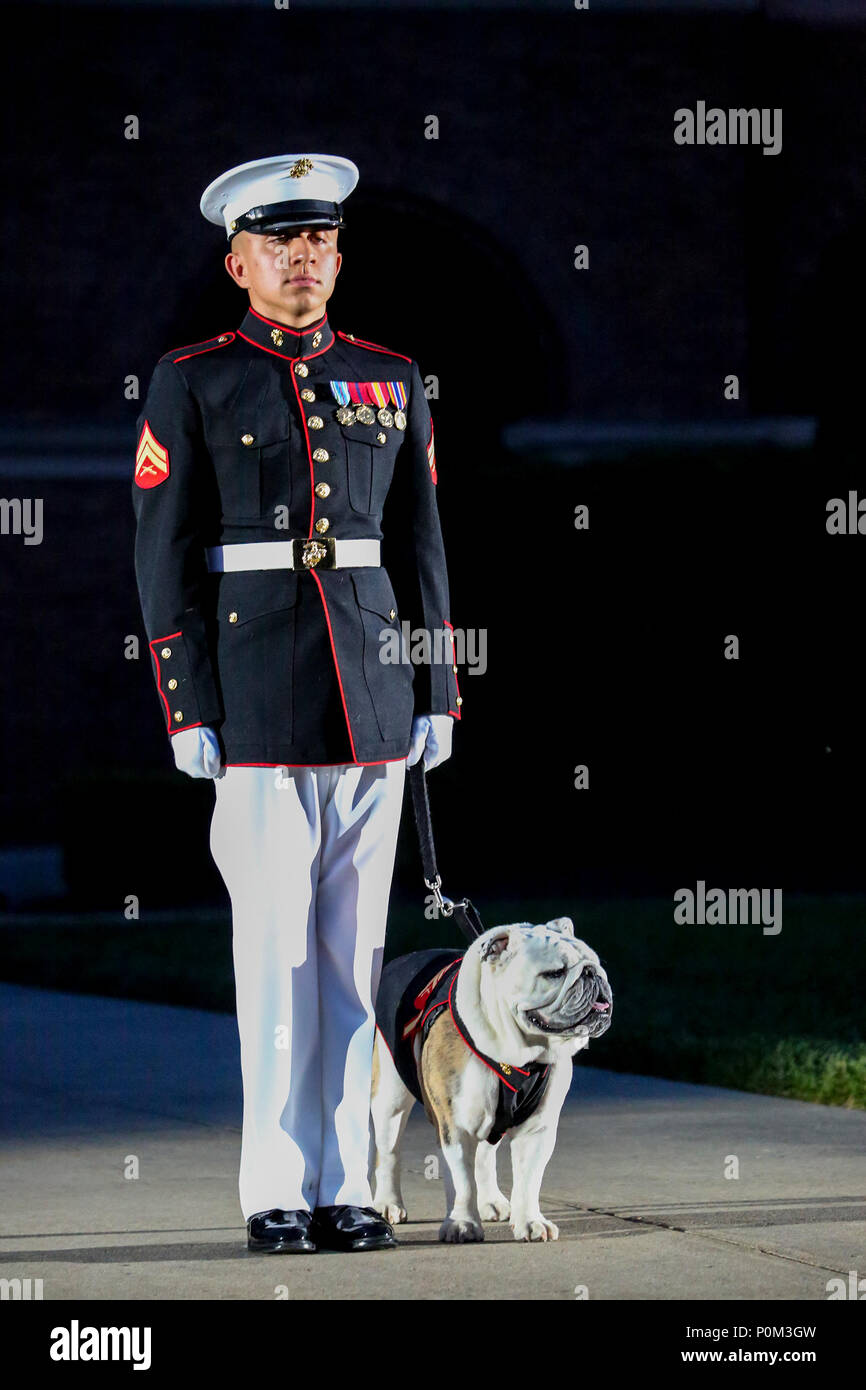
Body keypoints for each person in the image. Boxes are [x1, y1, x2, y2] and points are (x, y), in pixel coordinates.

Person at [132, 153, 462, 1253]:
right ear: (238, 261)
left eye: (318, 241)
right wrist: (186, 707)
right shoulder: (195, 378)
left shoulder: (390, 374)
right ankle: (276, 1186)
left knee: (352, 966)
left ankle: (350, 1184)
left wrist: (436, 686)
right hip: (259, 700)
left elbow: (420, 548)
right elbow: (164, 553)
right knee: (275, 960)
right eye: (280, 244)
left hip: (369, 696)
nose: (303, 260)